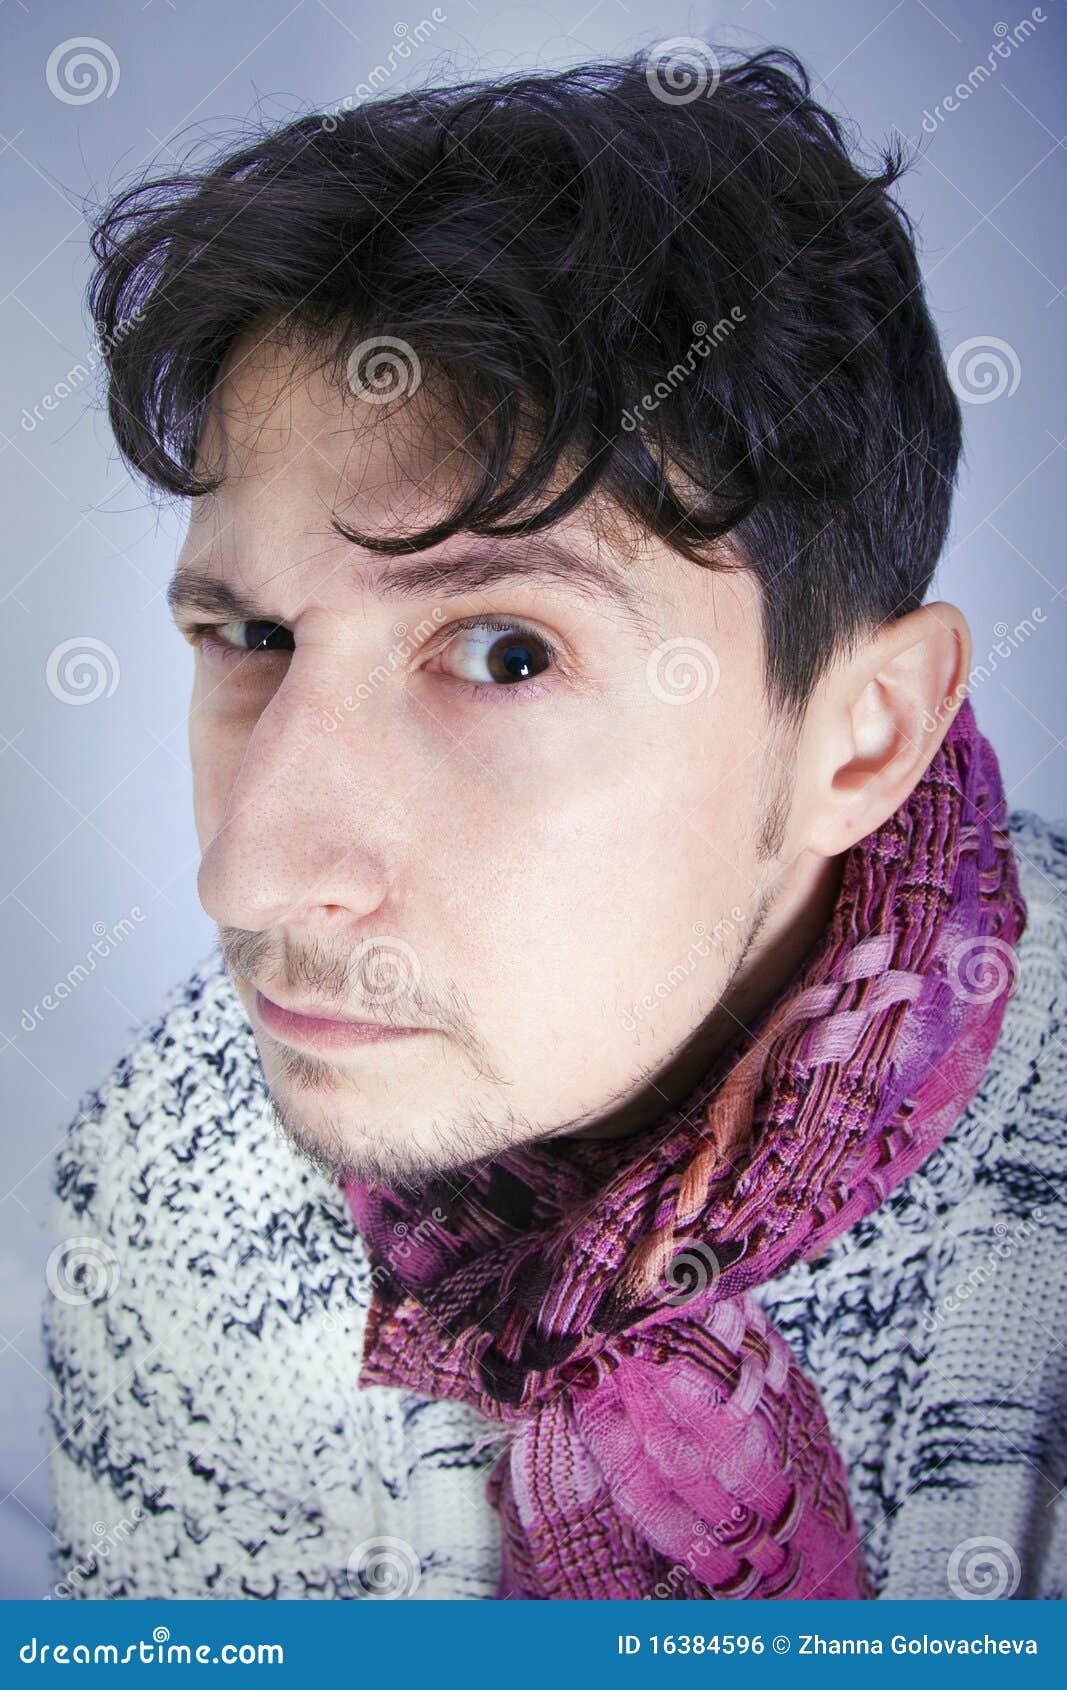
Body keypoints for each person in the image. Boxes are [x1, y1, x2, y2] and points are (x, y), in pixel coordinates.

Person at [44, 43, 1066, 1601]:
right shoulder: (167, 1207)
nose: (247, 870)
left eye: (507, 652)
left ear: (864, 741)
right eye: (250, 640)